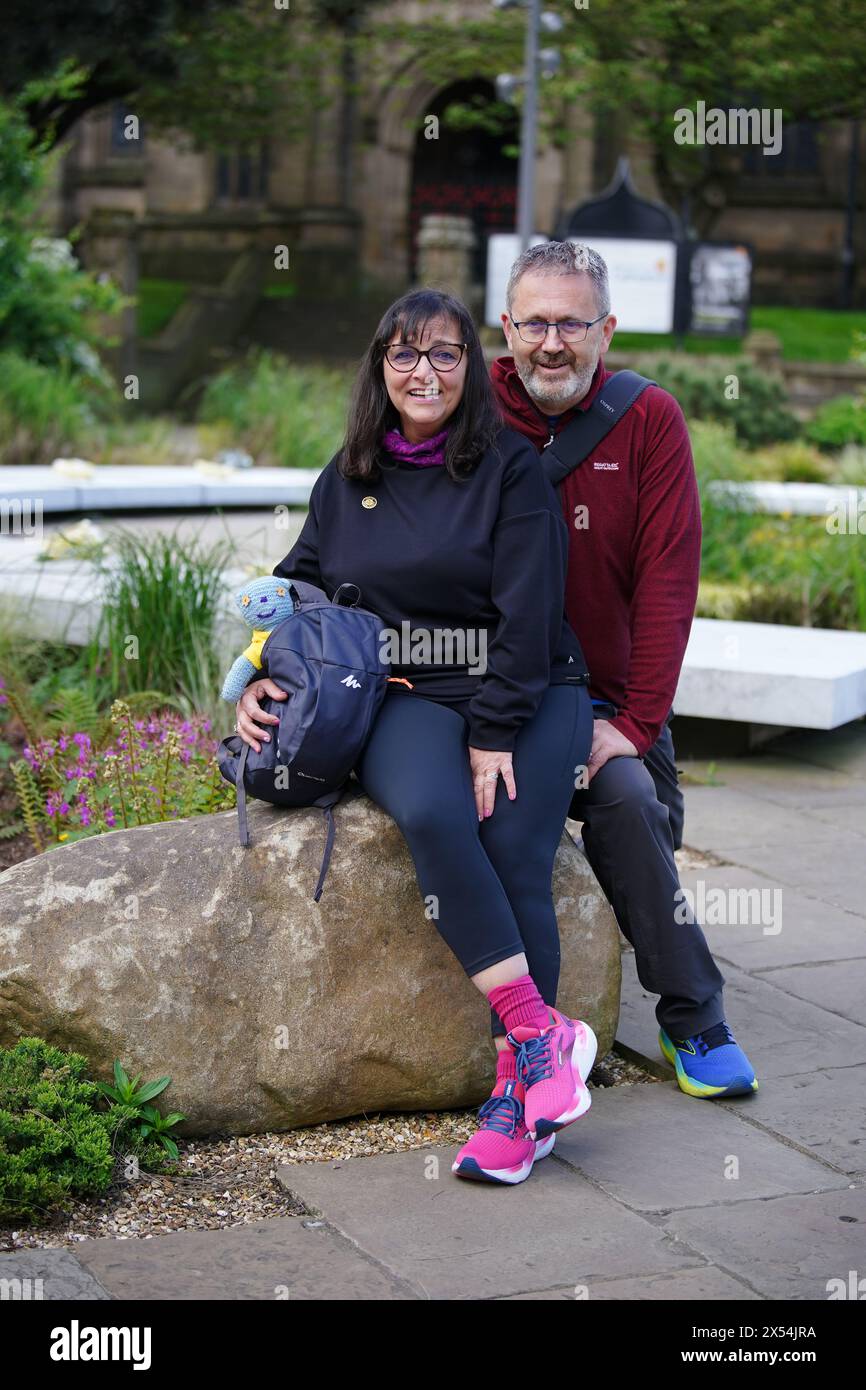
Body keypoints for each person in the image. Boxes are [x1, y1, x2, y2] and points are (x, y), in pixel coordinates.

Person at [234, 288, 597, 1184]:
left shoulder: (511, 469)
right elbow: (299, 591)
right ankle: (543, 1034)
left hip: (530, 688)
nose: (423, 372)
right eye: (403, 354)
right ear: (380, 369)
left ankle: (519, 1106)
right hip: (404, 691)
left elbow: (531, 613)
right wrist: (258, 676)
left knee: (515, 846)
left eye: (443, 354)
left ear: (471, 368)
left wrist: (499, 730)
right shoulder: (348, 474)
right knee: (435, 815)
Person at [491, 240, 757, 1099]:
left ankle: (694, 1020)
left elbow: (669, 586)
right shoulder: (470, 411)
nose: (553, 344)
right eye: (535, 323)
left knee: (635, 806)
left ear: (607, 329)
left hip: (606, 698)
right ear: (508, 326)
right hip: (496, 702)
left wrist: (636, 725)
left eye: (573, 323)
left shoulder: (649, 419)